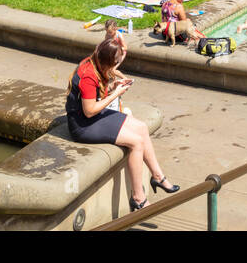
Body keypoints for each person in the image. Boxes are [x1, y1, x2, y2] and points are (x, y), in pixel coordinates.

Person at [65, 39, 178, 212]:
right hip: (83, 125)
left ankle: (158, 177)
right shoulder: (88, 74)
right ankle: (138, 198)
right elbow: (89, 111)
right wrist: (115, 94)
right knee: (136, 143)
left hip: (93, 116)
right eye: (115, 63)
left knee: (141, 127)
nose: (116, 66)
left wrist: (112, 88)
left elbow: (95, 98)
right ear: (107, 61)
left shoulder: (95, 63)